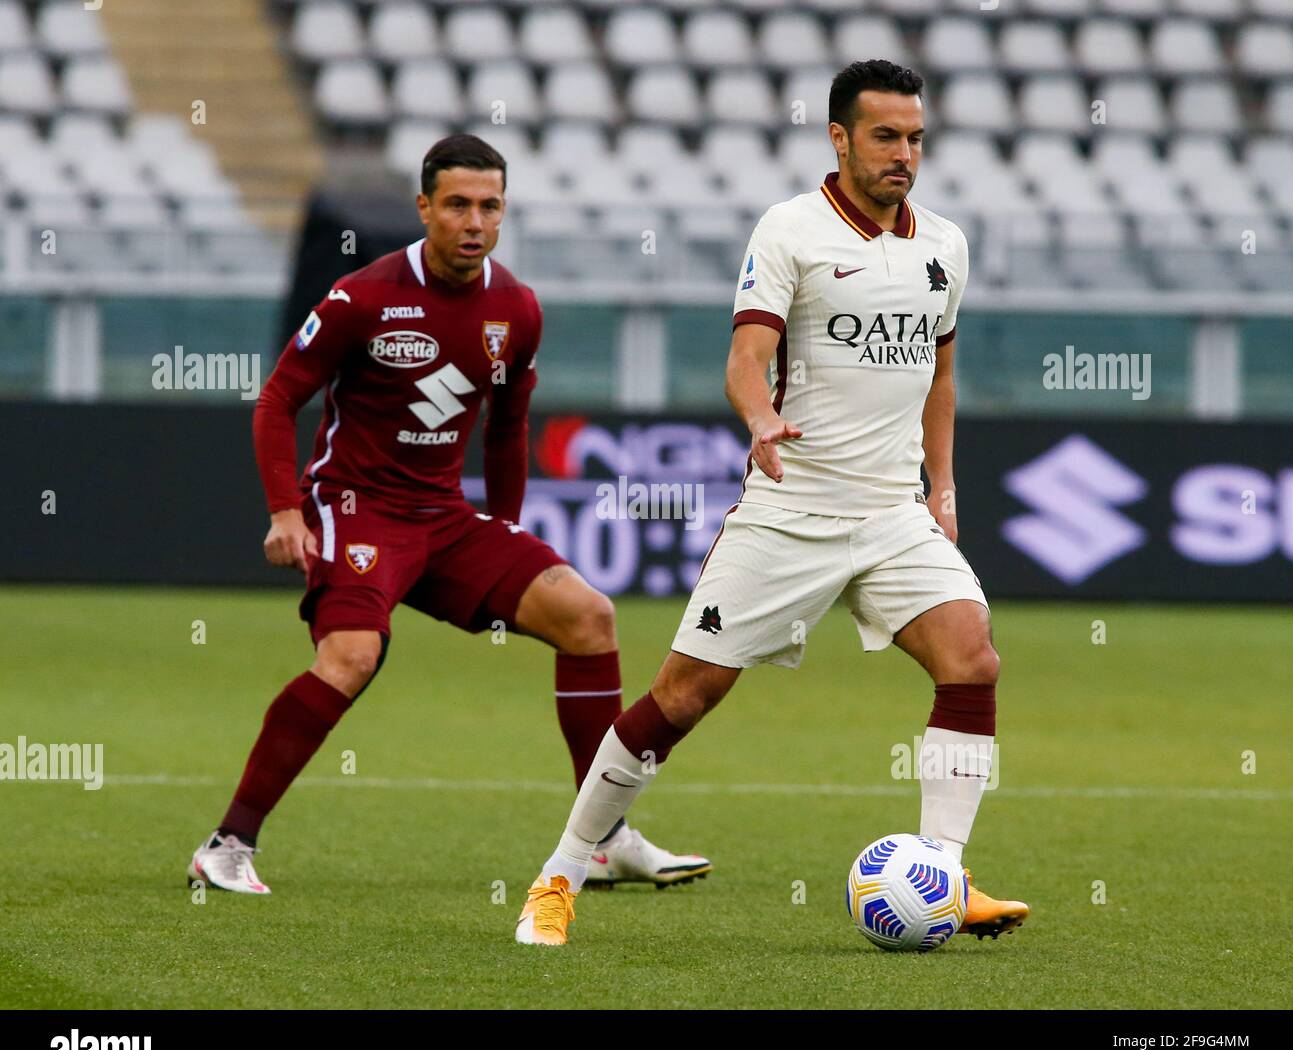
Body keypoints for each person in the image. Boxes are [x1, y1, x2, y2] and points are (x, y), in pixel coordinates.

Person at [515, 62, 1029, 946]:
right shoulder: (789, 229)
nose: (904, 154)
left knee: (972, 660)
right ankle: (559, 874)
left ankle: (942, 876)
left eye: (915, 138)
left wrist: (942, 485)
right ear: (839, 138)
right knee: (682, 696)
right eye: (885, 137)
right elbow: (745, 359)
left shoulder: (944, 244)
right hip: (791, 507)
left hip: (891, 512)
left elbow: (940, 374)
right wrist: (760, 421)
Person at [188, 135, 711, 895]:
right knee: (351, 657)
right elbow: (277, 400)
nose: (474, 220)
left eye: (490, 205)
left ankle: (600, 837)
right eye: (458, 204)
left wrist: (507, 527)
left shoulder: (516, 309)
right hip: (356, 509)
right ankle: (228, 842)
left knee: (588, 615)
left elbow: (505, 431)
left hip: (443, 517)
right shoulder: (360, 296)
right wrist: (285, 512)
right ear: (425, 207)